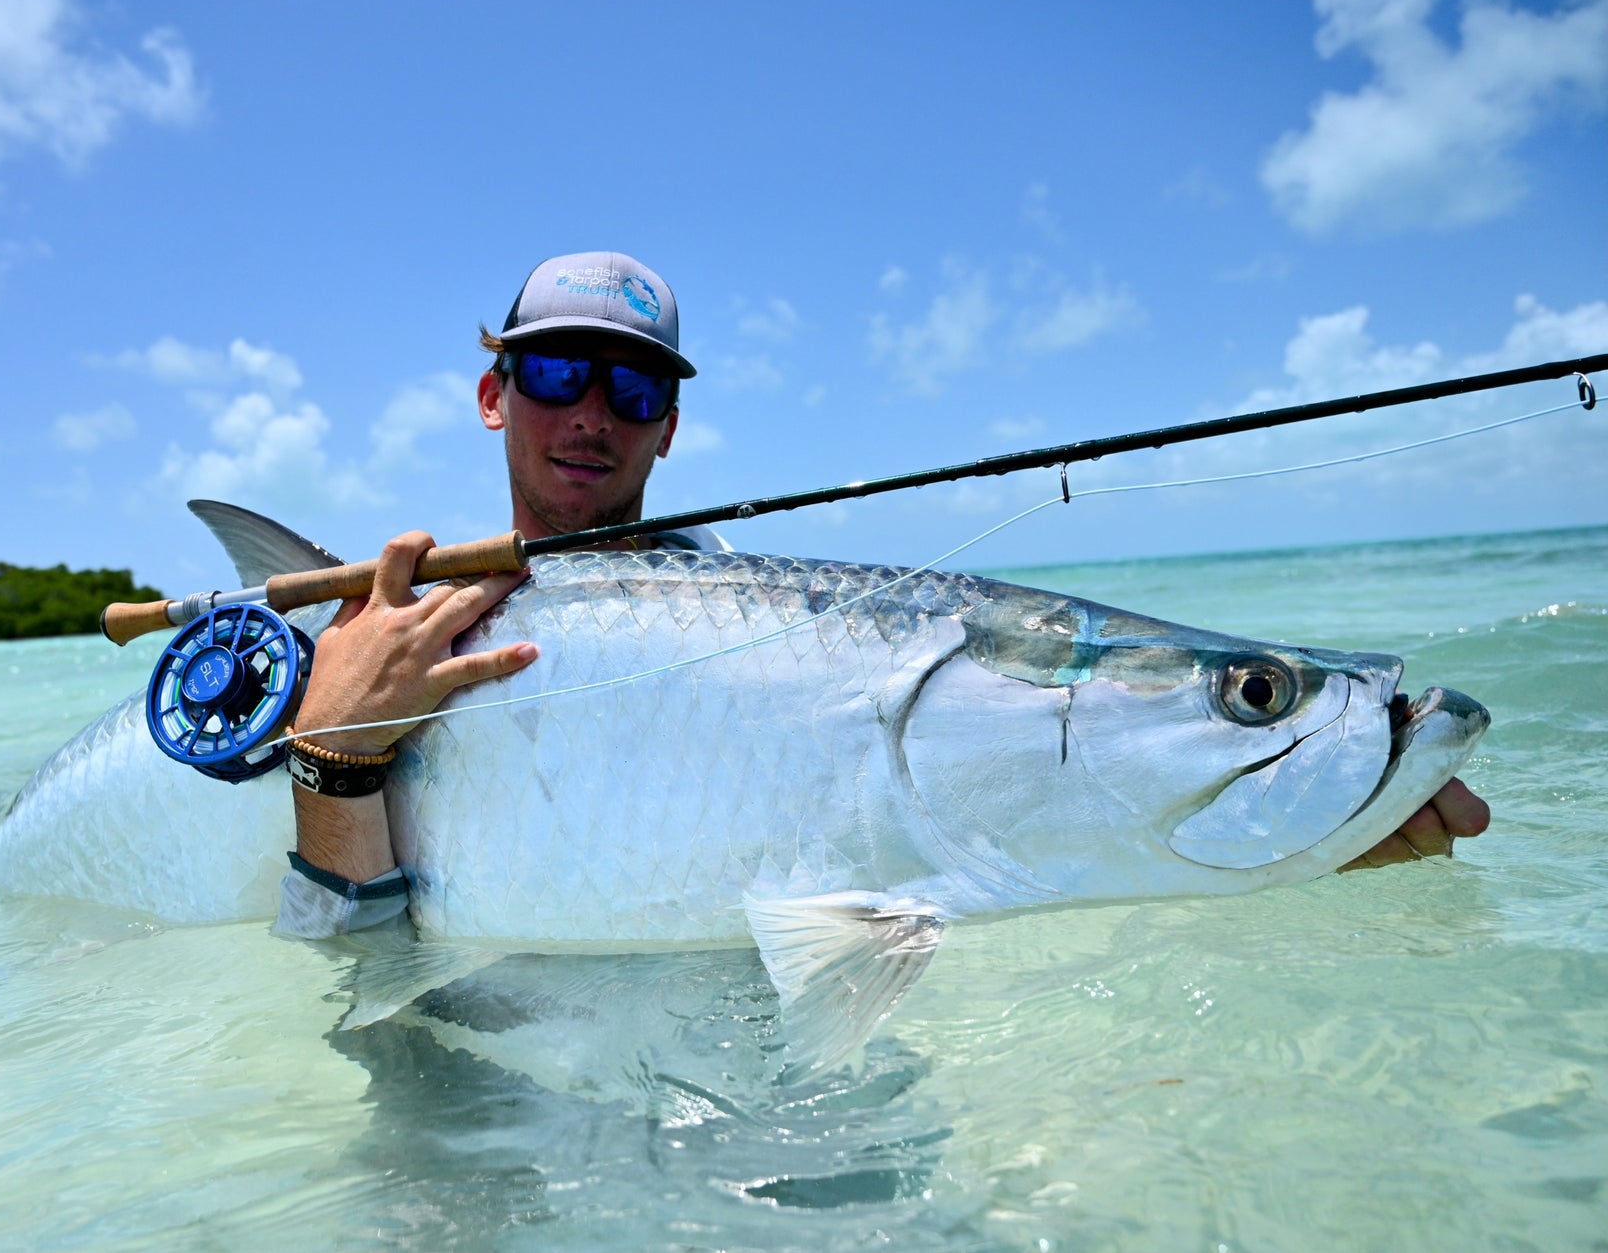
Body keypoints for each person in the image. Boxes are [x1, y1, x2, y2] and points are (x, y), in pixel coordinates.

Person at [274, 251, 1490, 937]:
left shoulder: (775, 624)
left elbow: (1007, 831)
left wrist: (1294, 834)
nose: (593, 412)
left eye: (636, 392)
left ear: (671, 428)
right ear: (495, 395)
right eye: (553, 371)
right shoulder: (363, 654)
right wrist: (331, 759)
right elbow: (349, 967)